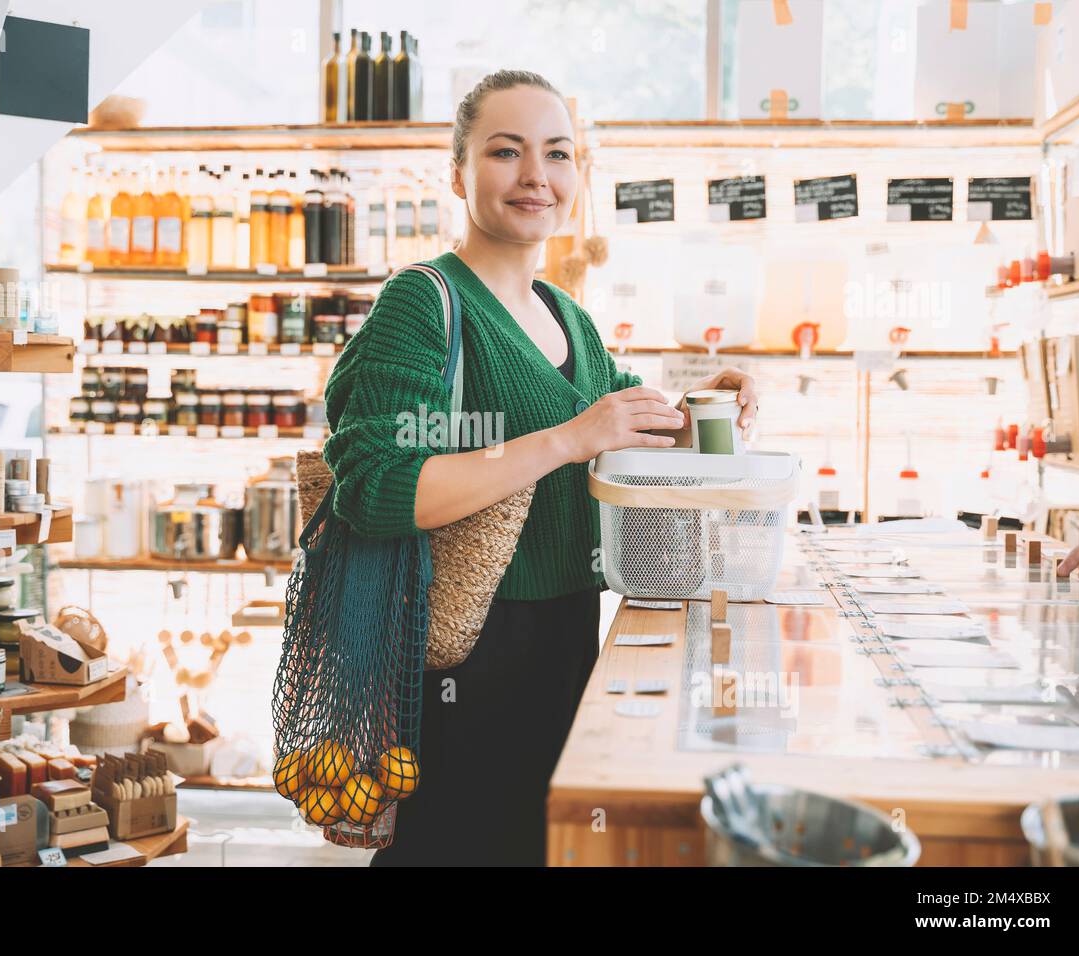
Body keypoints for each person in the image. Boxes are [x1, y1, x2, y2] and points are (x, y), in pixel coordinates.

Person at [323, 69, 759, 866]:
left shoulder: (566, 315)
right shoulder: (425, 303)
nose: (536, 176)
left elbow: (622, 431)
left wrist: (699, 407)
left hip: (564, 633)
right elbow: (378, 487)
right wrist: (565, 437)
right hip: (460, 656)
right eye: (505, 151)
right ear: (457, 173)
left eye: (558, 154)